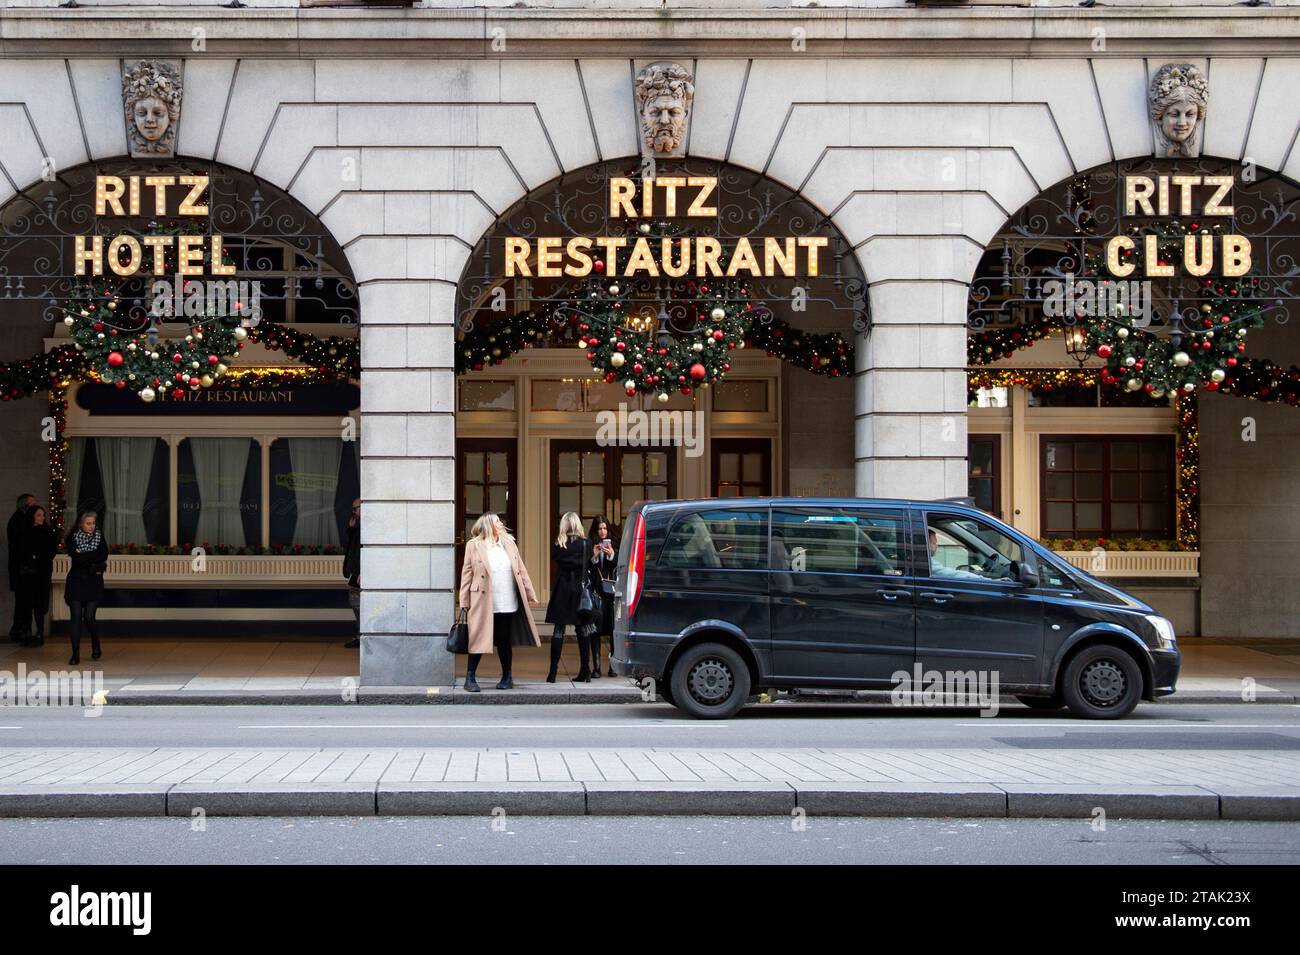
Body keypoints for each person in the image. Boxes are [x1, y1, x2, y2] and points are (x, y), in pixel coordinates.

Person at [457, 512, 540, 692]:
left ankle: (507, 676)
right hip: (482, 600)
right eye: (497, 521)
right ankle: (470, 677)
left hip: (507, 599)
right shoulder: (474, 546)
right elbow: (466, 574)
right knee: (478, 638)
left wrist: (530, 592)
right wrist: (464, 601)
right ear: (488, 525)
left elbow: (521, 570)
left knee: (503, 639)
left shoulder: (509, 543)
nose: (501, 524)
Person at [546, 511, 592, 683]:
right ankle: (585, 671)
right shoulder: (587, 544)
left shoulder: (558, 545)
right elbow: (588, 563)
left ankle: (552, 673)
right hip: (580, 591)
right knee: (583, 630)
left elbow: (555, 558)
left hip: (562, 590)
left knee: (559, 630)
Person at [64, 510, 107, 666]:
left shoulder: (99, 537)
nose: (91, 526)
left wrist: (83, 555)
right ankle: (75, 653)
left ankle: (95, 643)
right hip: (75, 581)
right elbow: (76, 557)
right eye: (88, 523)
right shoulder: (72, 538)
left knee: (89, 617)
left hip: (93, 581)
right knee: (75, 616)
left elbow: (103, 556)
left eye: (93, 523)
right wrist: (89, 557)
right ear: (81, 524)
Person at [19, 505, 56, 648]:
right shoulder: (24, 532)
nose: (42, 518)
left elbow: (50, 552)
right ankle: (26, 633)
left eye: (43, 515)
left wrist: (37, 556)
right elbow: (21, 551)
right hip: (28, 574)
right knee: (26, 603)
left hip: (42, 573)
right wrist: (31, 557)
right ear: (32, 516)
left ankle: (40, 633)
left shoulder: (48, 532)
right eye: (39, 515)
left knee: (39, 604)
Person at [586, 515, 618, 678]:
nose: (602, 531)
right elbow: (587, 568)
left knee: (613, 630)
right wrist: (594, 556)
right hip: (597, 594)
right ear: (595, 531)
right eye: (599, 529)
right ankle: (597, 668)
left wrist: (612, 554)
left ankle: (613, 667)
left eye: (605, 528)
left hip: (612, 595)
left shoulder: (615, 545)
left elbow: (621, 565)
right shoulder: (591, 545)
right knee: (595, 631)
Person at [7, 493, 35, 641]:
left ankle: (18, 629)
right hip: (21, 568)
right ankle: (20, 630)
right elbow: (20, 545)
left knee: (22, 601)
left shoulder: (18, 520)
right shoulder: (18, 521)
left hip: (20, 567)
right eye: (32, 504)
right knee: (23, 601)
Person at [342, 497, 361, 649]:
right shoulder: (358, 525)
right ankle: (361, 634)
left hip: (360, 571)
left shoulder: (369, 526)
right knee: (355, 602)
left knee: (357, 602)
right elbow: (352, 545)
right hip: (355, 570)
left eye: (356, 508)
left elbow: (364, 549)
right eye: (353, 509)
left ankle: (363, 635)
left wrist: (364, 570)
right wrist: (352, 528)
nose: (354, 512)